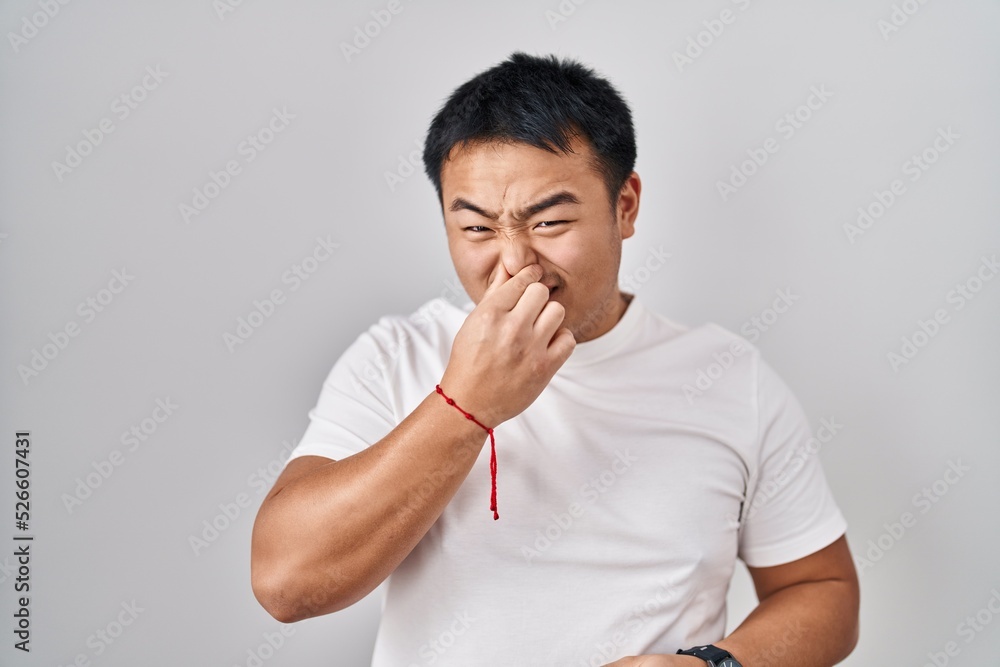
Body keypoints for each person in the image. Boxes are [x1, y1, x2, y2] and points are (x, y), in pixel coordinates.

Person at [250, 52, 859, 667]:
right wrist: (466, 405)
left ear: (625, 206)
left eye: (551, 221)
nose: (514, 263)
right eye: (478, 230)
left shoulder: (729, 377)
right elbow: (286, 584)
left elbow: (822, 591)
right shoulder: (394, 357)